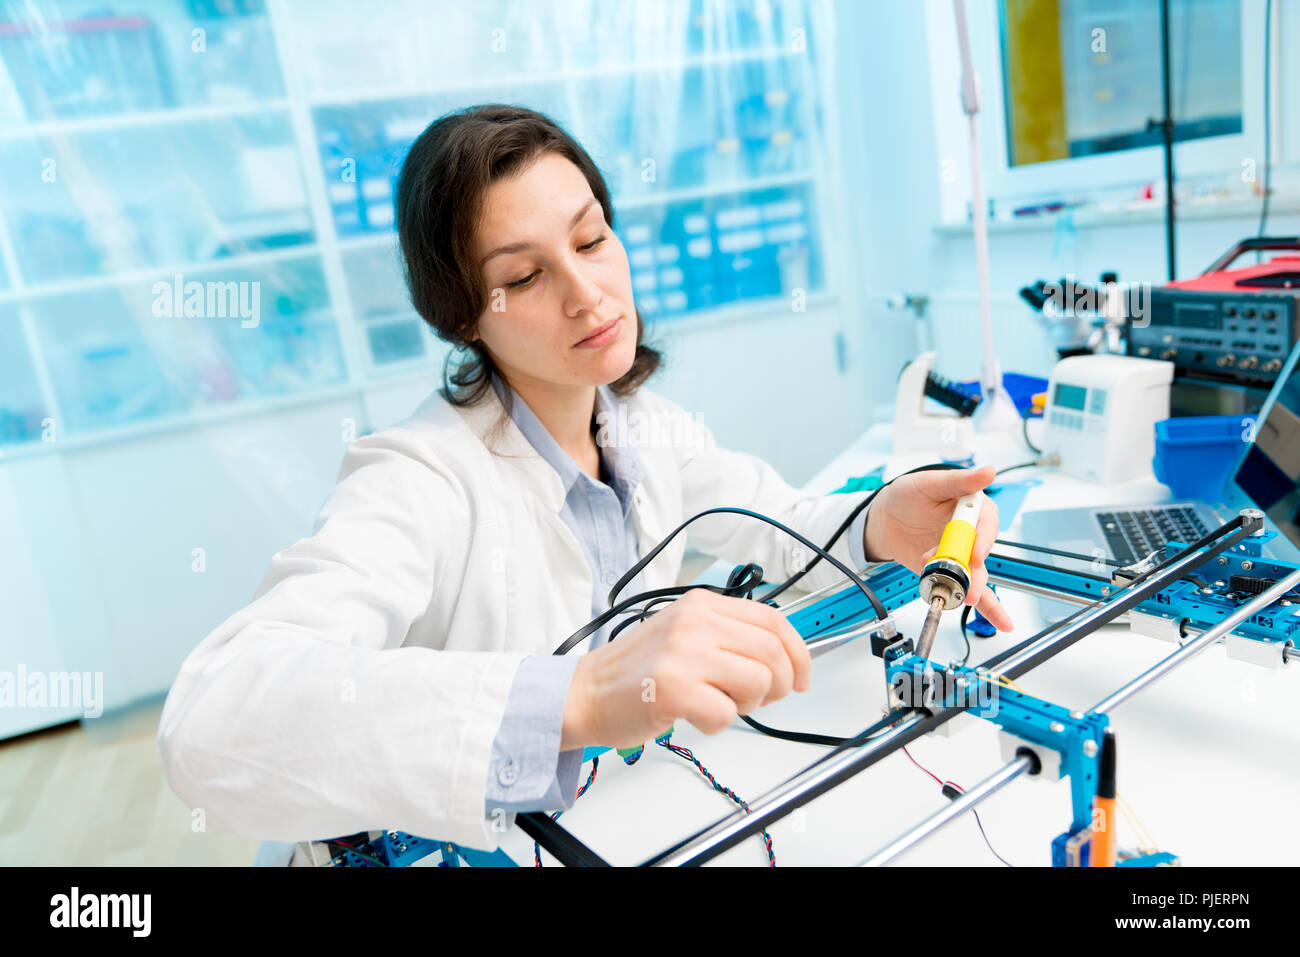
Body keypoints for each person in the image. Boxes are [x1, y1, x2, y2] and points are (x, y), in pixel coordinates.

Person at [157, 104, 1011, 862]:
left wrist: (878, 524)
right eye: (524, 276)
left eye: (592, 237)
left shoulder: (641, 423)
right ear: (463, 314)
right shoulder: (417, 476)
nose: (586, 291)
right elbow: (209, 723)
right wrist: (580, 693)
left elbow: (776, 519)